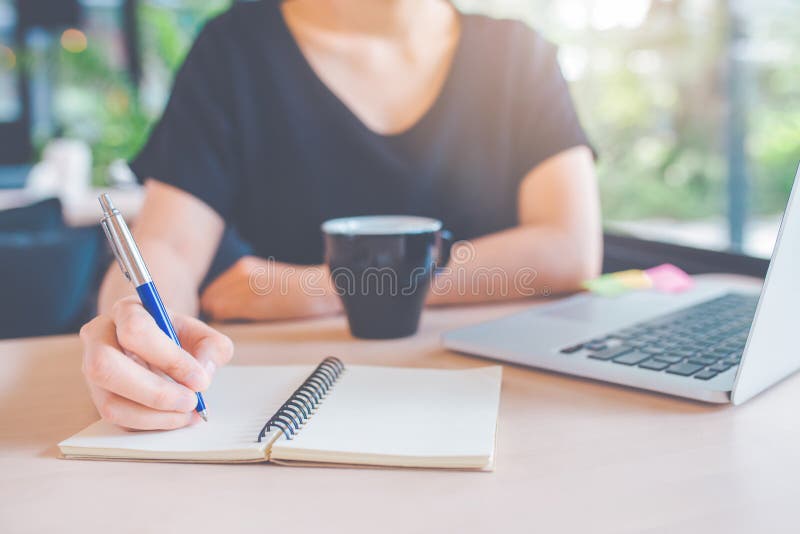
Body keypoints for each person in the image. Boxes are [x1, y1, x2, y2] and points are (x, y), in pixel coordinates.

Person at [79, 0, 602, 430]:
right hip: (280, 410)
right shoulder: (233, 51)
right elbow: (166, 247)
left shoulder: (518, 55)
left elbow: (568, 248)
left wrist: (332, 287)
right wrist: (133, 325)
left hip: (503, 402)